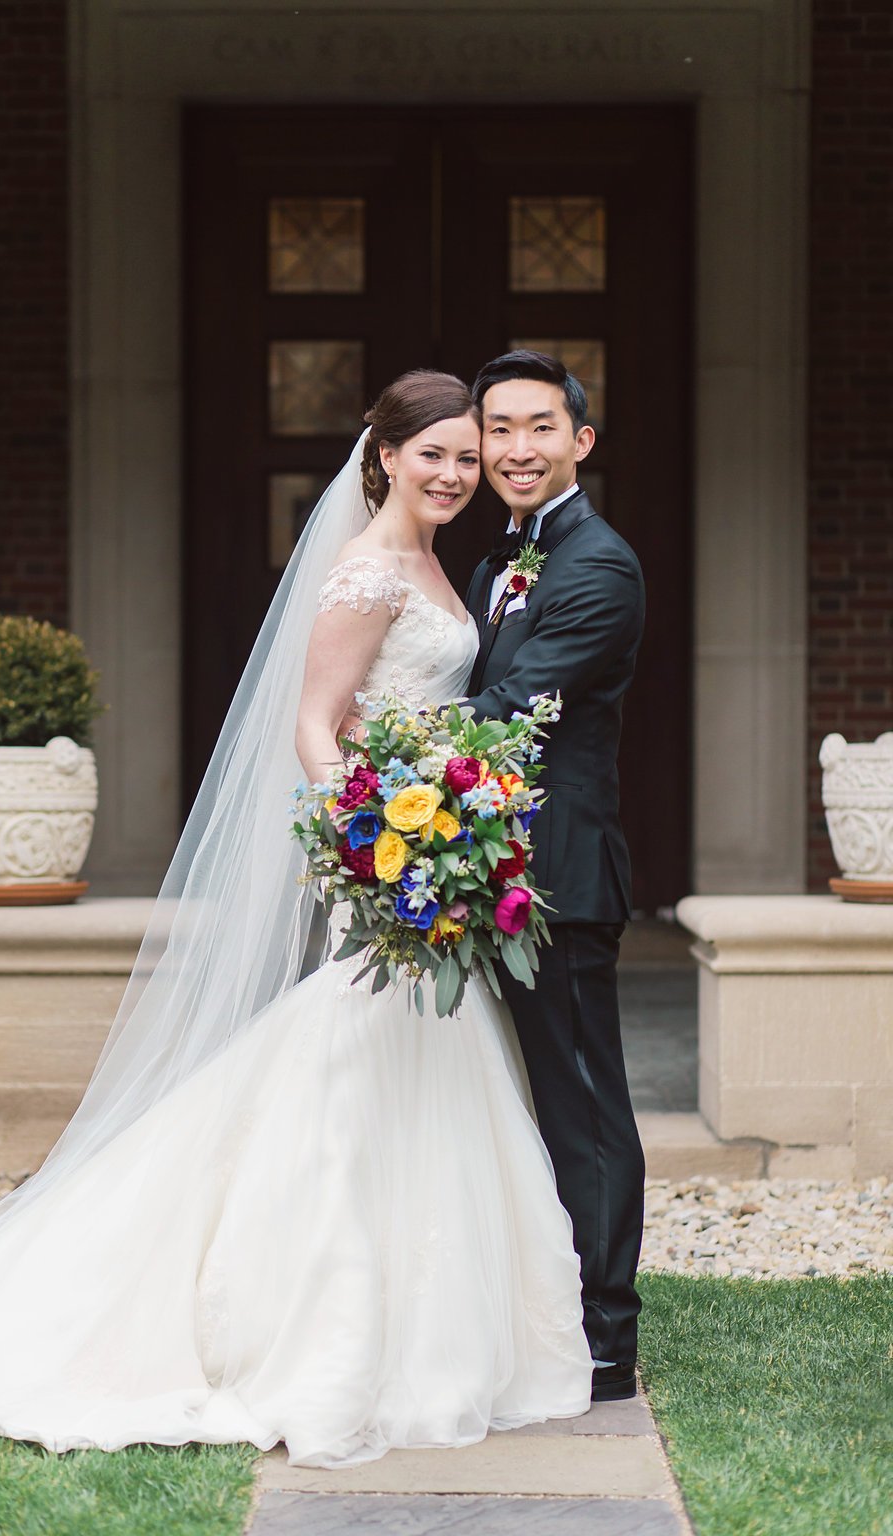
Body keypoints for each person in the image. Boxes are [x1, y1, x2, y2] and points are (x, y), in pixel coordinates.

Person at [0, 371, 591, 1468]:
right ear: (382, 453)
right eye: (431, 454)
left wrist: (447, 828)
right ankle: (300, 1328)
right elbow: (315, 725)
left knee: (416, 1077)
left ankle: (432, 1334)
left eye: (464, 455)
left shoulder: (437, 565)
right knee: (351, 1071)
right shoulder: (361, 573)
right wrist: (378, 848)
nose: (452, 473)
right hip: (389, 864)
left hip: (428, 854)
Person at [461, 350, 646, 1402]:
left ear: (579, 442)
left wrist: (372, 753)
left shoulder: (598, 565)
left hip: (559, 878)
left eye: (539, 427)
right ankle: (533, 1306)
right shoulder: (501, 560)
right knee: (518, 1104)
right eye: (499, 429)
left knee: (581, 1107)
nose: (515, 448)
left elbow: (516, 705)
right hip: (491, 870)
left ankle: (607, 1338)